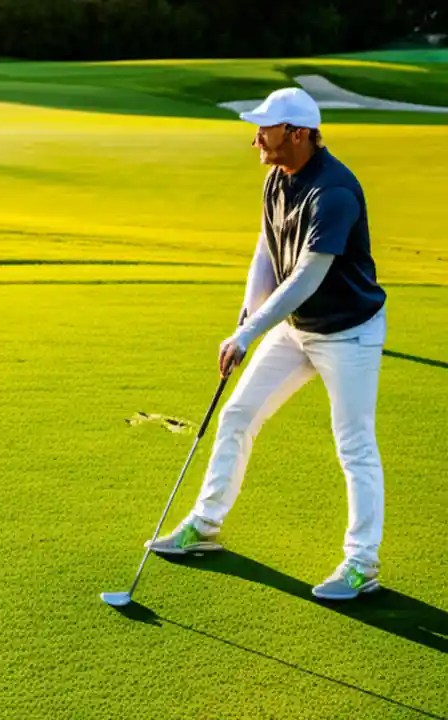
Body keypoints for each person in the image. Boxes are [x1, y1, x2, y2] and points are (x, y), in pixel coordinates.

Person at [146, 88, 388, 601]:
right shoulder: (276, 178)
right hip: (295, 326)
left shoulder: (335, 192)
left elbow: (307, 275)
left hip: (349, 331)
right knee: (237, 415)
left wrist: (250, 332)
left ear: (298, 134)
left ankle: (362, 564)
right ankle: (204, 526)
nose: (255, 137)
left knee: (354, 444)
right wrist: (248, 310)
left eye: (266, 128)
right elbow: (267, 246)